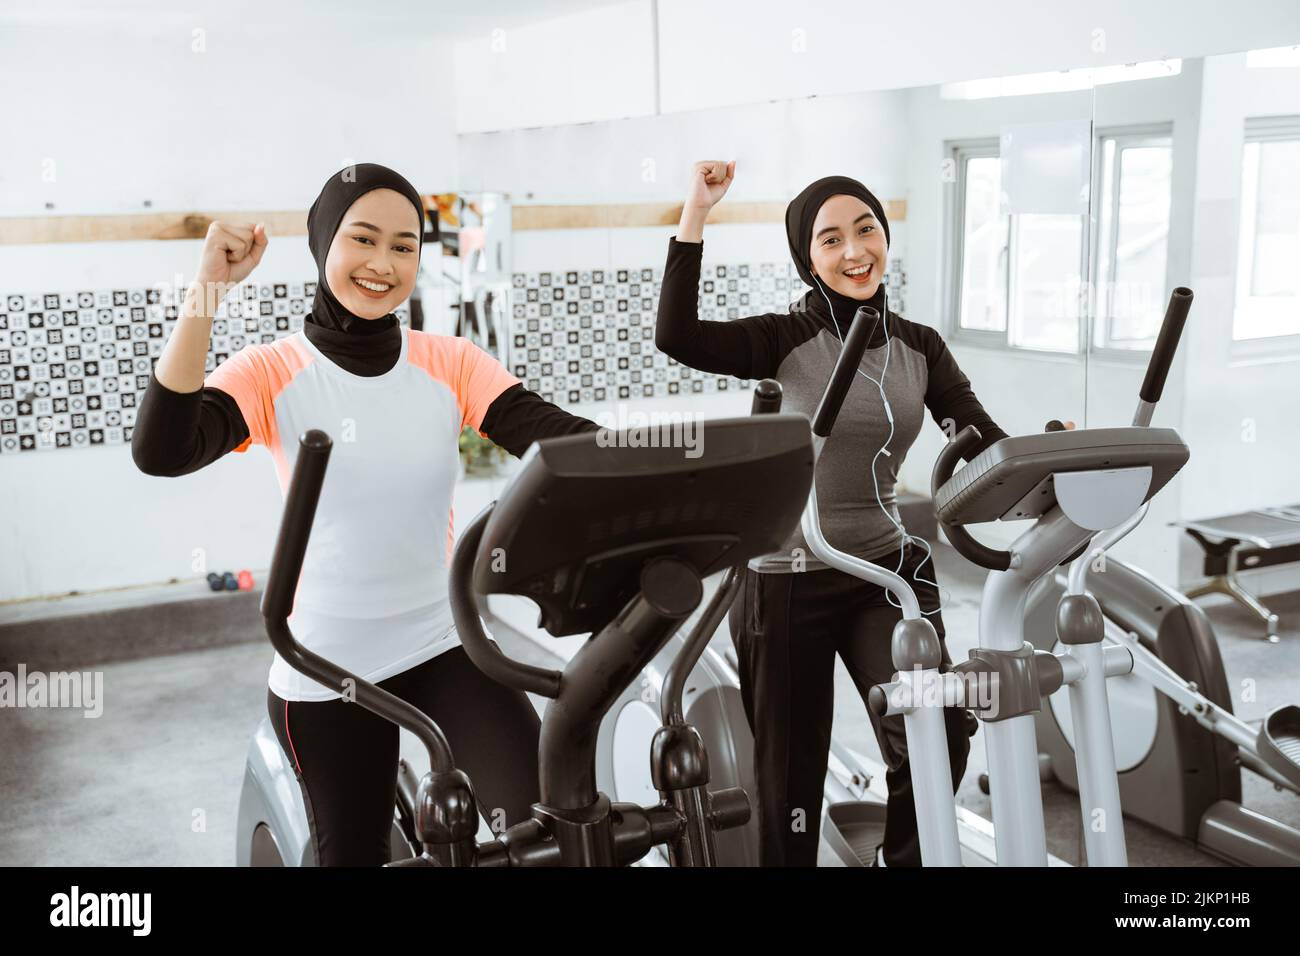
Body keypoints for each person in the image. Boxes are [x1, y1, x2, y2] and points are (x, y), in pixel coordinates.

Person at [132, 163, 597, 866]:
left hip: (442, 641)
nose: (383, 264)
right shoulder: (271, 372)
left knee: (547, 835)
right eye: (364, 239)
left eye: (404, 246)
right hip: (323, 664)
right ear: (324, 245)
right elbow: (163, 450)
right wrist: (208, 294)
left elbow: (562, 440)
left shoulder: (450, 361)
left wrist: (678, 463)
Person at [656, 161, 1006, 867]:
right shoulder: (783, 339)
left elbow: (979, 437)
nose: (854, 251)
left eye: (867, 229)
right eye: (830, 240)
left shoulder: (920, 347)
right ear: (807, 259)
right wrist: (697, 210)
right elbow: (677, 334)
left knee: (939, 729)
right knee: (792, 777)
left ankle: (900, 860)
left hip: (887, 568)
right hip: (788, 573)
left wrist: (1043, 464)